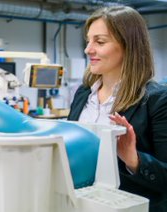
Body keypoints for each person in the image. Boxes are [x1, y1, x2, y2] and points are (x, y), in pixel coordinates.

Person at [67, 6, 167, 211]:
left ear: (129, 46)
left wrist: (134, 159)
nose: (88, 49)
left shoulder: (157, 100)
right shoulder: (84, 93)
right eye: (89, 40)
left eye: (100, 41)